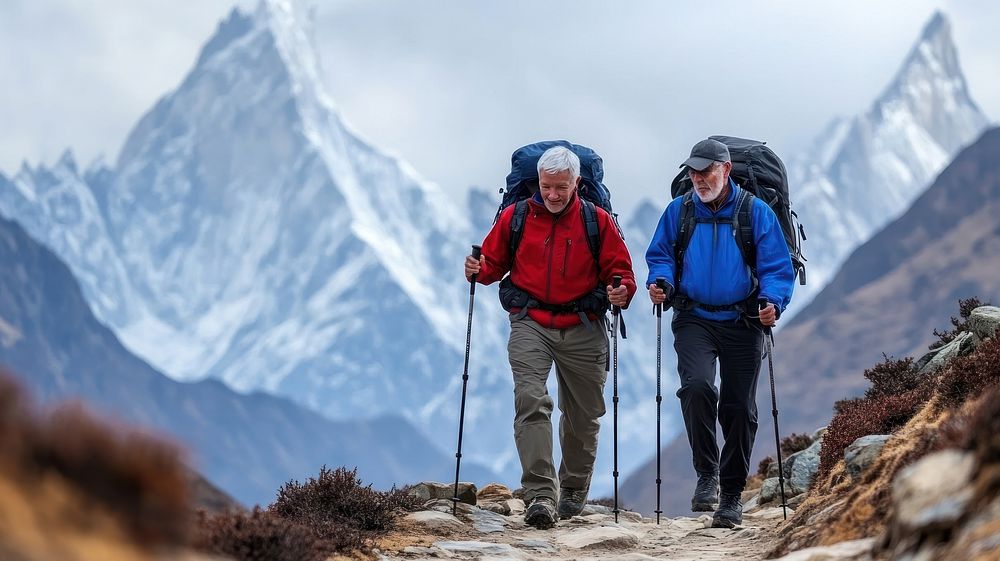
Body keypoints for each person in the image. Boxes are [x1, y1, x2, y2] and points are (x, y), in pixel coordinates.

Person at [465, 145, 636, 529]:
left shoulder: (597, 221)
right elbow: (492, 264)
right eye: (546, 187)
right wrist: (477, 268)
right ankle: (540, 494)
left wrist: (622, 290)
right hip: (530, 323)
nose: (553, 195)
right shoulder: (516, 217)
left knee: (583, 415)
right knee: (531, 400)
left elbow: (621, 271)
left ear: (577, 183)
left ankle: (573, 489)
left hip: (584, 324)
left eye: (561, 187)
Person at [645, 138, 794, 528]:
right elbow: (660, 254)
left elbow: (777, 268)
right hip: (693, 317)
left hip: (745, 321)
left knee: (739, 409)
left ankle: (731, 497)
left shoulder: (755, 213)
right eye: (694, 172)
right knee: (696, 388)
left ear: (725, 170)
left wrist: (772, 302)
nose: (699, 179)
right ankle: (707, 474)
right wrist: (660, 280)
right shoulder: (679, 212)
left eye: (706, 171)